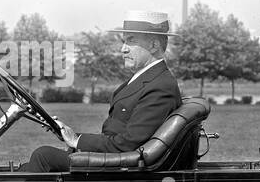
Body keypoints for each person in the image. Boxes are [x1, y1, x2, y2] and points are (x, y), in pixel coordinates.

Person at [22, 10, 182, 172]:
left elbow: (128, 143)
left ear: (154, 45)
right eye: (124, 42)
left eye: (131, 41)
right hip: (117, 162)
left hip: (123, 171)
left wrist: (77, 141)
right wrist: (72, 135)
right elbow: (119, 137)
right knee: (26, 168)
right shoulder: (148, 80)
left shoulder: (160, 86)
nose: (123, 49)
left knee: (43, 156)